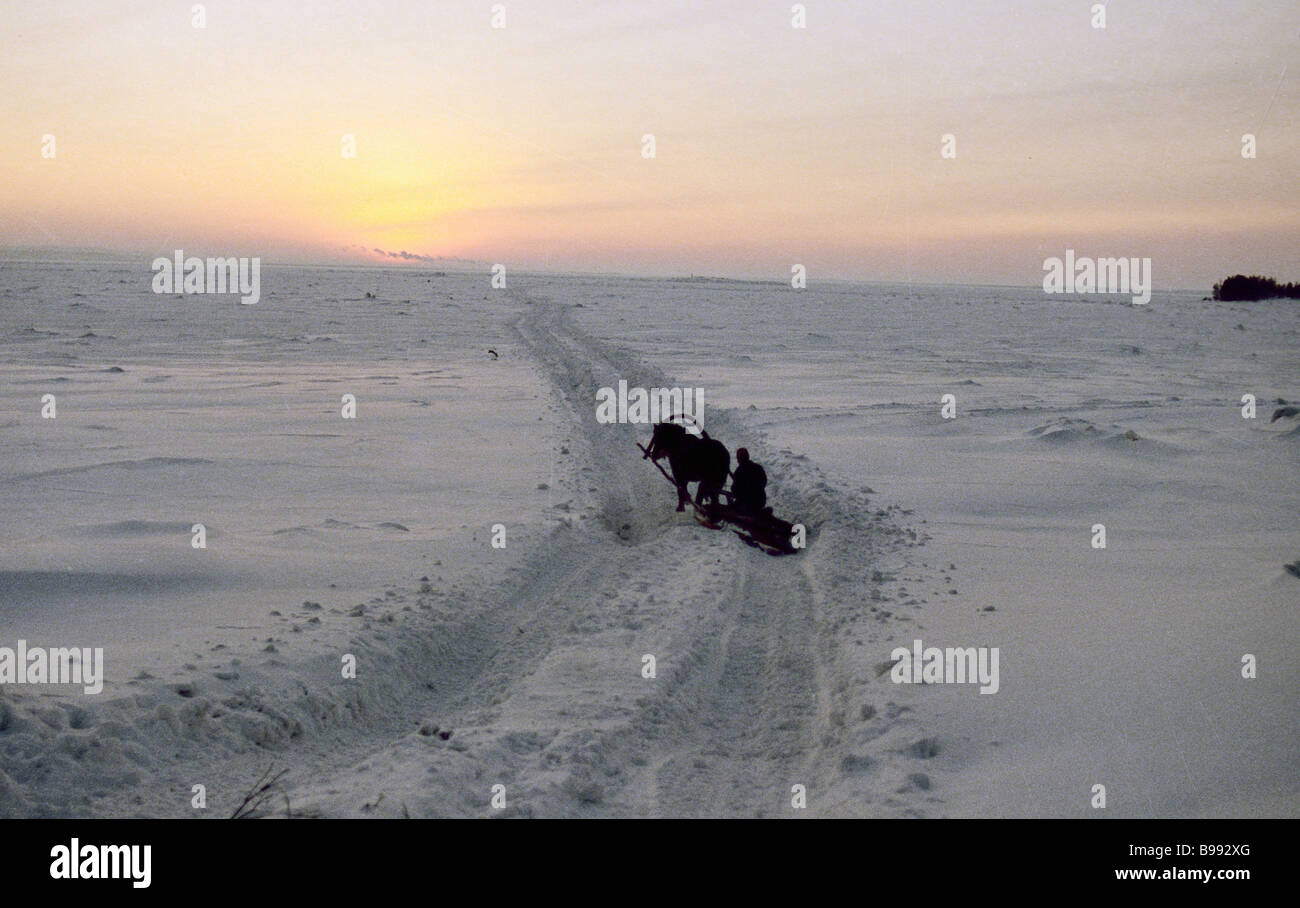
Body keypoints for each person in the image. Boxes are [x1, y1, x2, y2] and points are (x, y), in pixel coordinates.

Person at [729, 448, 767, 516]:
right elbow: (764, 482)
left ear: (738, 459)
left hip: (747, 504)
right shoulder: (758, 467)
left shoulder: (739, 471)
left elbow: (735, 489)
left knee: (734, 508)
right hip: (761, 501)